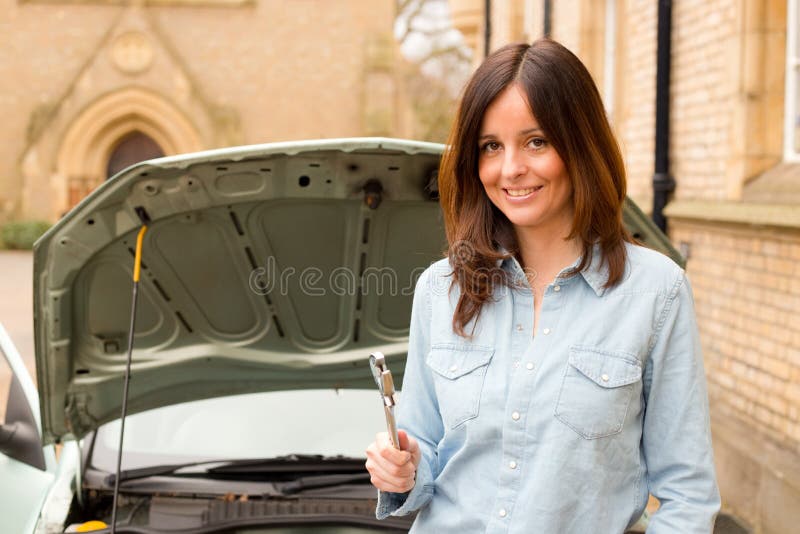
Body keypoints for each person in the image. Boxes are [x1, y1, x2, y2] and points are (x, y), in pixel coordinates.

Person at [364, 39, 720, 533]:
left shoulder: (657, 293)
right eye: (491, 146)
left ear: (581, 144)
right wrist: (399, 470)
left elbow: (688, 497)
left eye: (537, 142)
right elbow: (423, 460)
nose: (511, 169)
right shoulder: (439, 290)